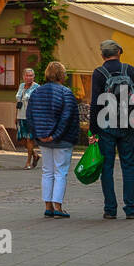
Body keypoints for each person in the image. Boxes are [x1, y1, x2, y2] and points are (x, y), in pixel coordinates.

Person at [89, 40, 134, 219]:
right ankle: (131, 209)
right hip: (128, 125)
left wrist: (93, 129)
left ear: (102, 55)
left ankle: (110, 209)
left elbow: (95, 102)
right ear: (119, 52)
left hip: (106, 125)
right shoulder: (130, 70)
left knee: (107, 167)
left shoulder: (99, 73)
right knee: (128, 166)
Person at [26, 61, 78, 218]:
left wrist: (38, 134)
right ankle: (58, 207)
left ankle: (48, 205)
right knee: (60, 172)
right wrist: (55, 135)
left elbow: (30, 116)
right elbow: (67, 118)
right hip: (62, 139)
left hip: (43, 139)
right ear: (62, 75)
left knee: (47, 171)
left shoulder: (37, 92)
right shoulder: (66, 93)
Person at [14, 67, 41, 169]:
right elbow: (18, 102)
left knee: (30, 139)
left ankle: (28, 162)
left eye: (31, 76)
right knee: (21, 139)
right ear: (23, 76)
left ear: (33, 77)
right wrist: (15, 115)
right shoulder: (21, 86)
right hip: (20, 116)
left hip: (31, 117)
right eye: (27, 75)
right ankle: (35, 155)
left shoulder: (37, 87)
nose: (29, 78)